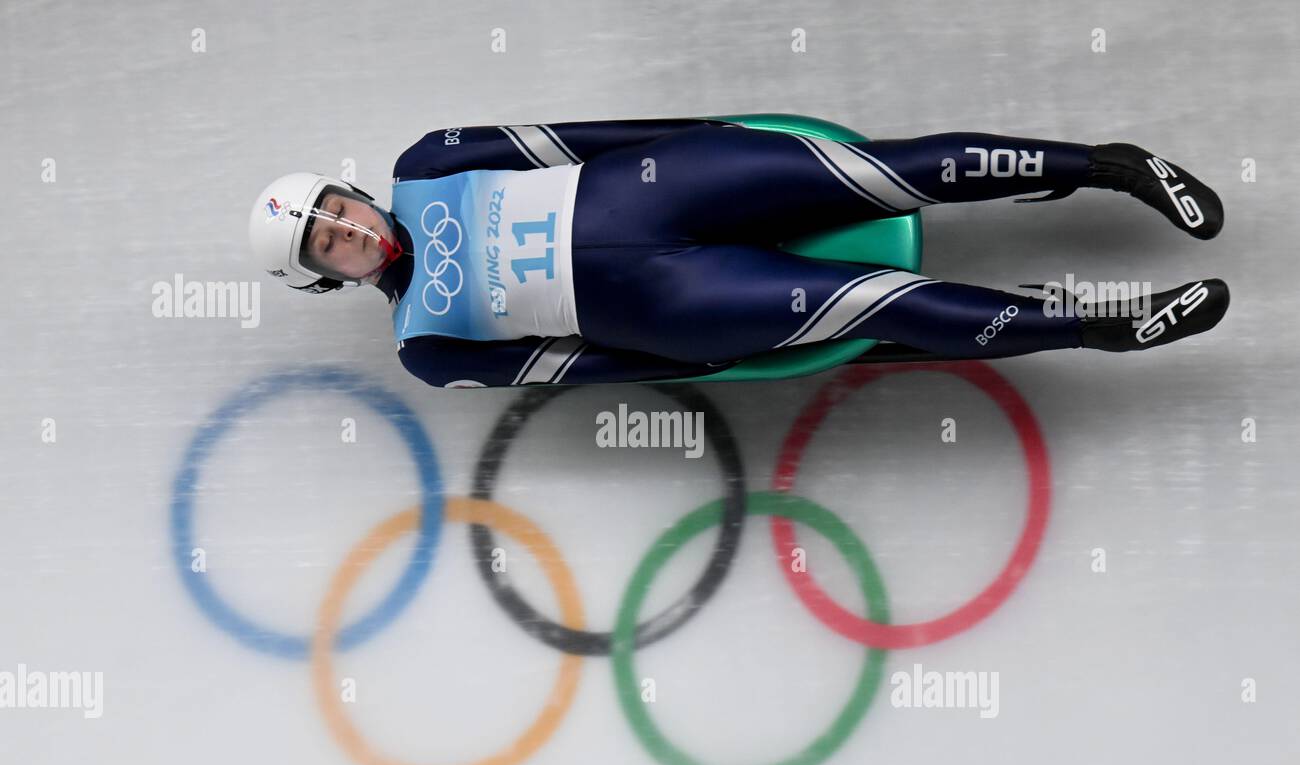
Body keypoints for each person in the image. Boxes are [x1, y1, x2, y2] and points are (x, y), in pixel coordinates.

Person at [248, 118, 1229, 388]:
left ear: (354, 191)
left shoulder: (427, 162)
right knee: (886, 303)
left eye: (337, 210)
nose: (351, 231)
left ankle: (1110, 165)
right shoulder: (424, 343)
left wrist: (698, 136)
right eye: (330, 246)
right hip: (673, 299)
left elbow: (564, 139)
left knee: (885, 173)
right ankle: (1108, 327)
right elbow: (561, 368)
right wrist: (702, 357)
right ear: (328, 279)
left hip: (669, 179)